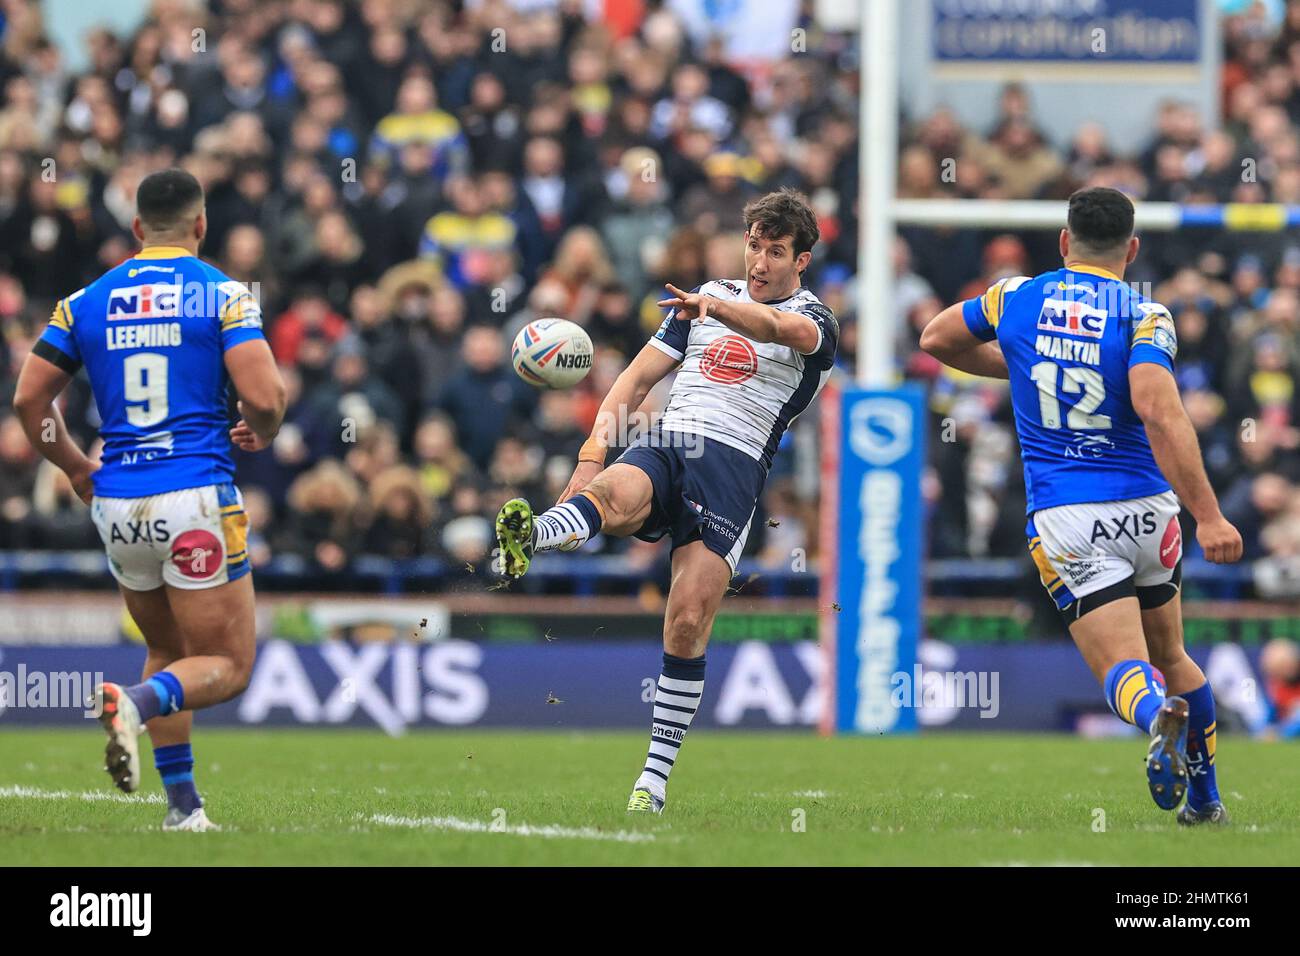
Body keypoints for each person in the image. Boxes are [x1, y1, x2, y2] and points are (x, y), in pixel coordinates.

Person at [494, 188, 838, 813]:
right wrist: (591, 452)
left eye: (776, 252)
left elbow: (778, 327)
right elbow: (635, 378)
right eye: (753, 246)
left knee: (686, 622)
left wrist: (717, 309)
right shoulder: (706, 298)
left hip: (733, 470)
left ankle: (652, 780)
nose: (758, 262)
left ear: (802, 261)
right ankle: (537, 534)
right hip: (672, 439)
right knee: (612, 492)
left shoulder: (818, 319)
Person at [920, 186, 1243, 825]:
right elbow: (1158, 409)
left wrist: (1020, 364)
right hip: (1151, 512)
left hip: (1070, 517)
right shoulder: (1147, 314)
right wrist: (1208, 513)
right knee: (1173, 657)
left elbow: (936, 338)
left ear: (1065, 242)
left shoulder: (1015, 295)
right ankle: (1205, 803)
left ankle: (1157, 717)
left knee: (1126, 668)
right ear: (1132, 248)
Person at [12, 168, 286, 831]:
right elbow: (267, 397)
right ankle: (132, 704)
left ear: (136, 229)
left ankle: (184, 810)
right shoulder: (222, 294)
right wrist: (264, 430)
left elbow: (28, 400)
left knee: (169, 651)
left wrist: (77, 468)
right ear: (201, 225)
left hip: (117, 504)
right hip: (193, 497)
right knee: (228, 665)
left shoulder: (85, 301)